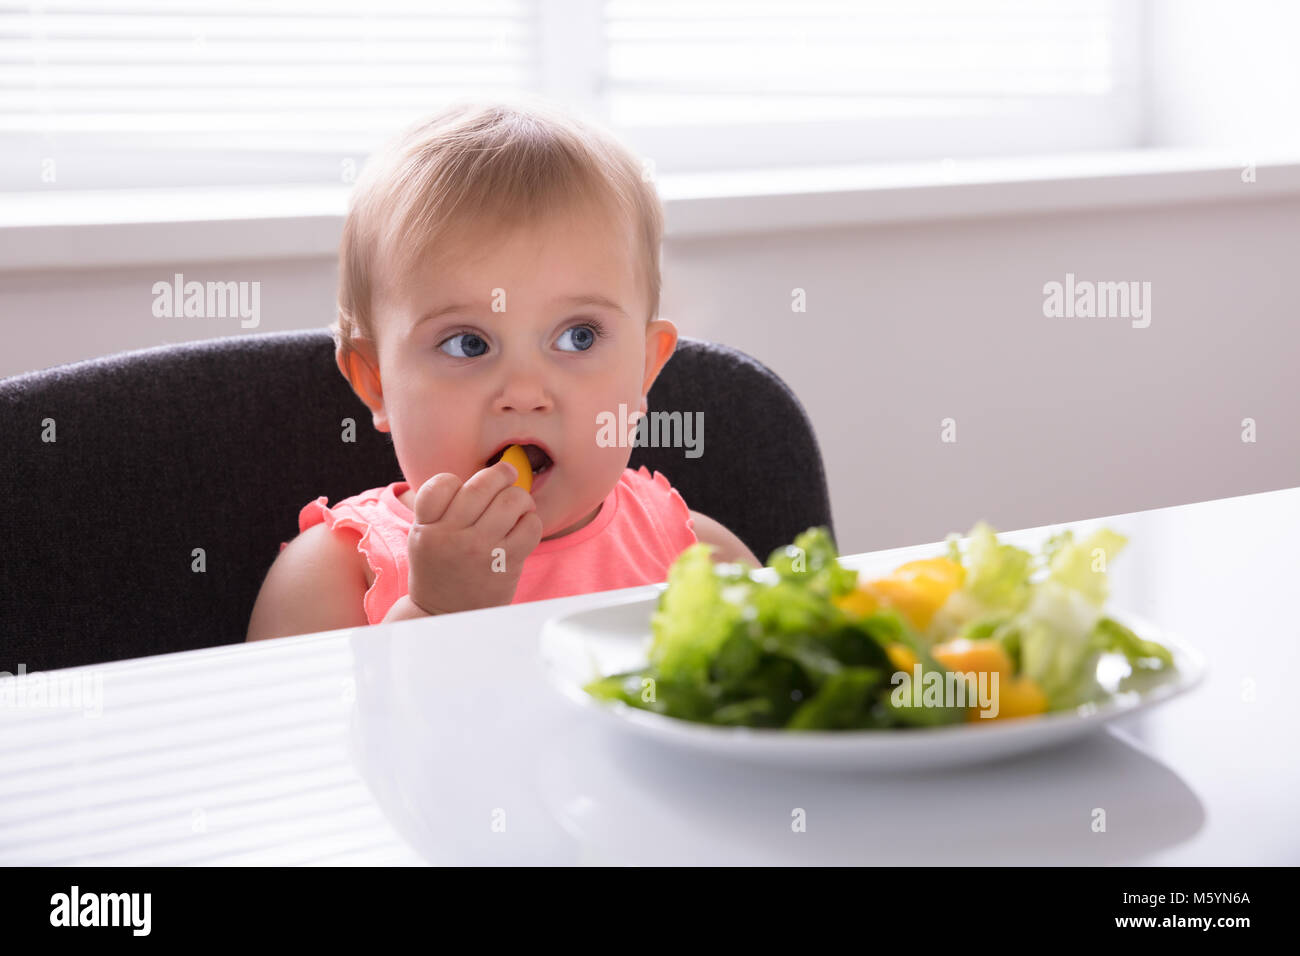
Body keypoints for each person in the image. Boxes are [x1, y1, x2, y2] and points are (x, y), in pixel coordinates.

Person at [247, 99, 759, 641]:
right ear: (375, 381)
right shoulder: (336, 575)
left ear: (644, 373)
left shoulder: (698, 560)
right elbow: (303, 728)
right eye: (468, 344)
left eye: (577, 337)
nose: (524, 393)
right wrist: (438, 616)